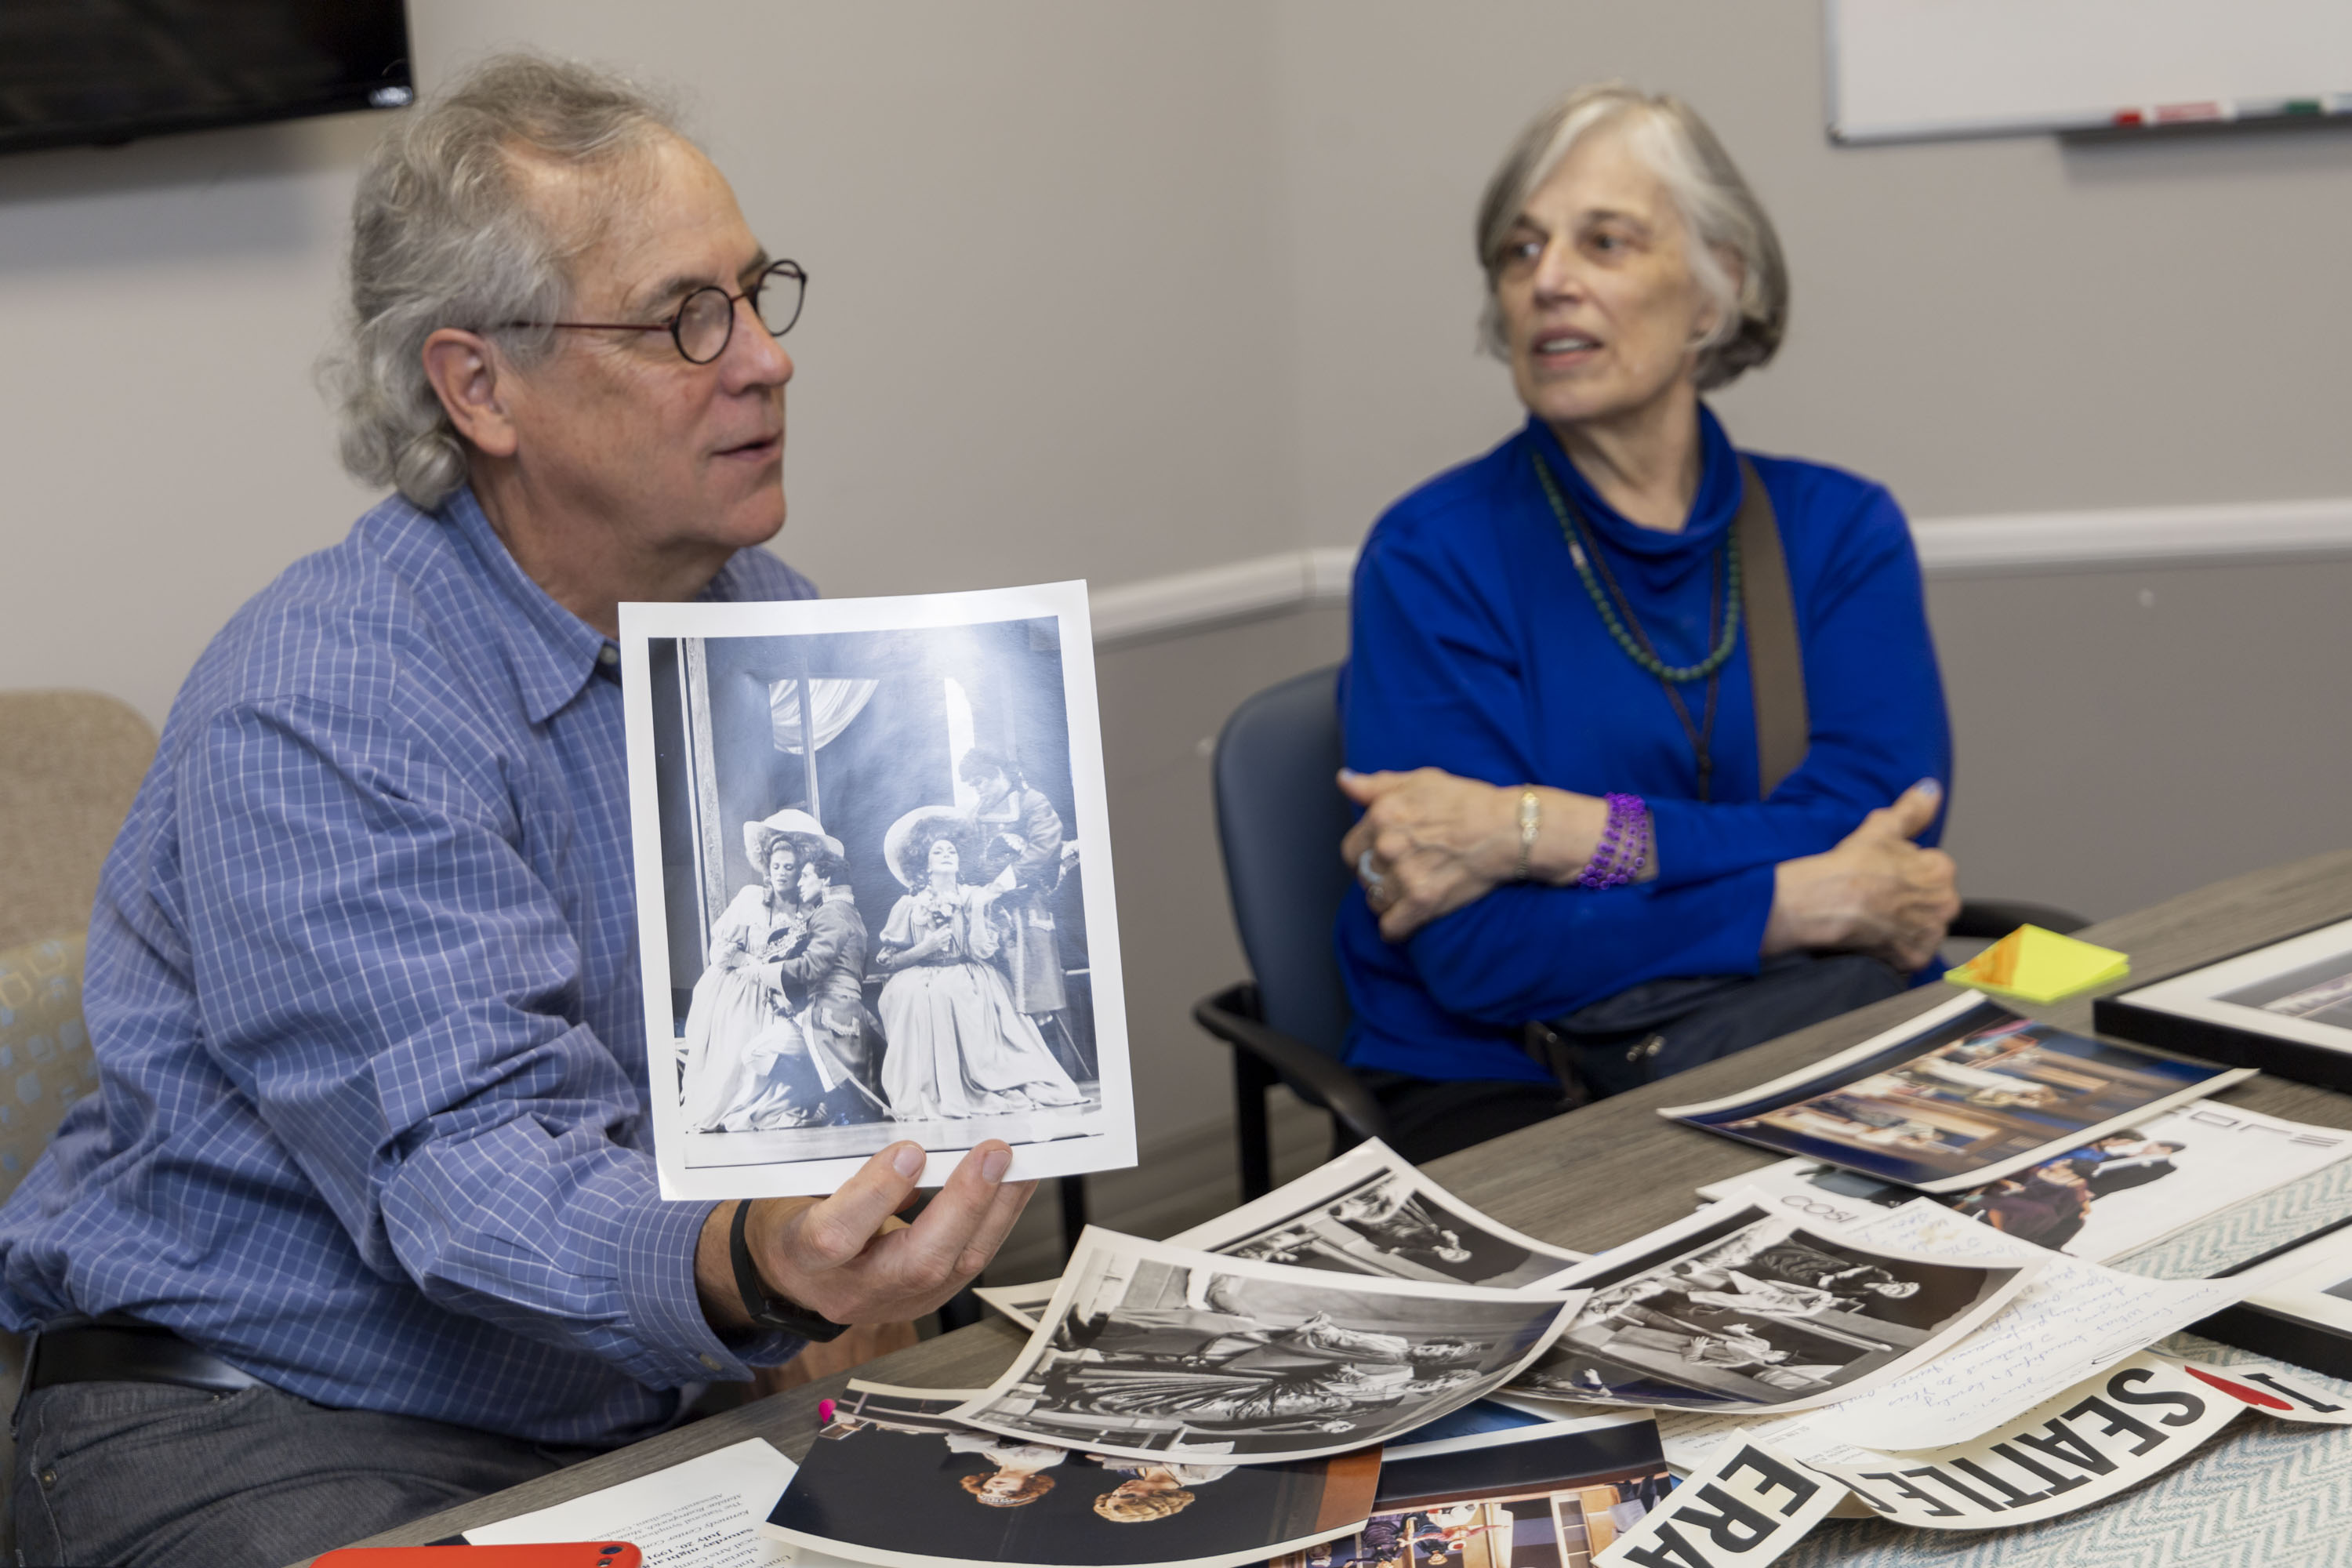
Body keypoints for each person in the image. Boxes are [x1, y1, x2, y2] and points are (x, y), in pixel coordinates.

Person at [0, 56, 1033, 1568]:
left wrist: (834, 1242)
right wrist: (758, 1266)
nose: (765, 360)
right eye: (685, 317)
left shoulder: (763, 621)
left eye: (757, 296)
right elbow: (473, 1168)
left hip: (636, 1380)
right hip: (273, 1419)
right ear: (480, 387)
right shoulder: (324, 702)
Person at [1334, 83, 1960, 1162]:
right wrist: (1794, 902)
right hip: (1516, 1076)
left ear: (1718, 291)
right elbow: (1482, 952)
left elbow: (1886, 837)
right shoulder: (1430, 556)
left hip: (1801, 1023)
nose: (1550, 280)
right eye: (1521, 250)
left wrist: (1550, 833)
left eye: (1605, 241)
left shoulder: (1840, 530)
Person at [873, 810, 1087, 1120]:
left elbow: (983, 950)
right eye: (938, 851)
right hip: (923, 976)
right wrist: (925, 947)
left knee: (957, 993)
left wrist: (976, 911)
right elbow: (890, 959)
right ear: (925, 863)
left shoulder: (974, 896)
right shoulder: (909, 905)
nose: (947, 855)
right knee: (916, 995)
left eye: (952, 850)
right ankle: (938, 1088)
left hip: (970, 973)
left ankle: (989, 1079)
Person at [681, 813, 822, 1131]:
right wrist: (752, 964)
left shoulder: (808, 911)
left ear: (800, 870)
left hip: (780, 991)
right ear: (767, 868)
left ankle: (769, 1106)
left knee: (773, 1047)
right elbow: (720, 951)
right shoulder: (751, 898)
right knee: (736, 1047)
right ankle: (727, 1108)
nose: (781, 874)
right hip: (739, 985)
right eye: (776, 867)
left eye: (789, 867)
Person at [959, 747, 1072, 1027]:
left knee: (1033, 997)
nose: (978, 790)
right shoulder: (976, 813)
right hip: (987, 911)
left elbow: (1044, 846)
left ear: (997, 773)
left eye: (979, 782)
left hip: (1026, 903)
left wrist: (1001, 883)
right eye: (972, 785)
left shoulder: (1032, 801)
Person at [946, 1431, 1065, 1508]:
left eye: (987, 1490)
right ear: (1028, 1486)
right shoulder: (1046, 1459)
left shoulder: (994, 1459)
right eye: (1008, 1492)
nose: (996, 1488)